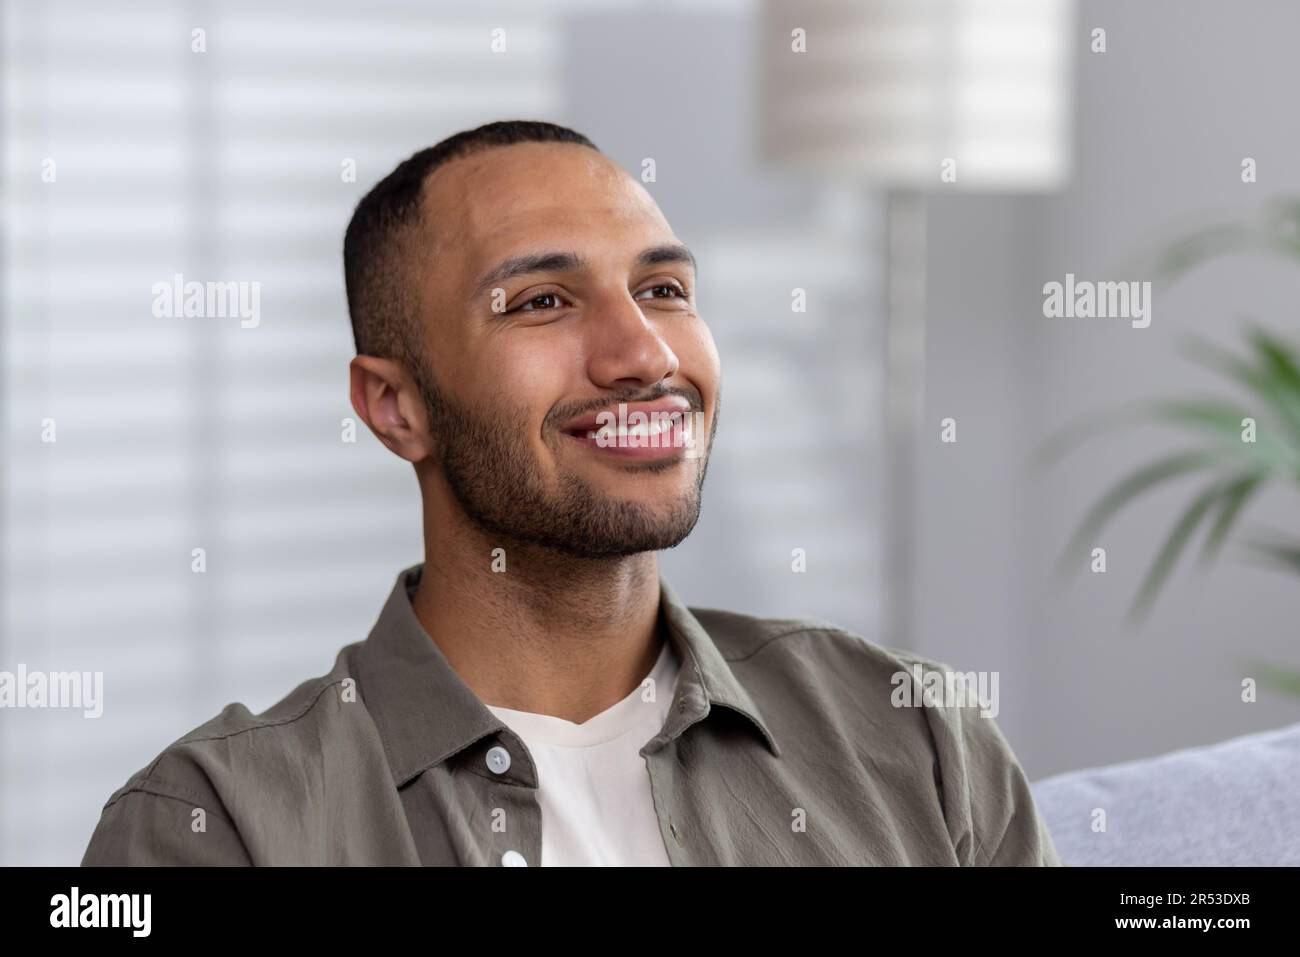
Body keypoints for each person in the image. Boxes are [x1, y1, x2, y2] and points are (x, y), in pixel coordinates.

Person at [81, 120, 1064, 866]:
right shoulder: (222, 823)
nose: (643, 354)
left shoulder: (914, 736)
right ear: (394, 406)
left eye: (665, 290)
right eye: (542, 302)